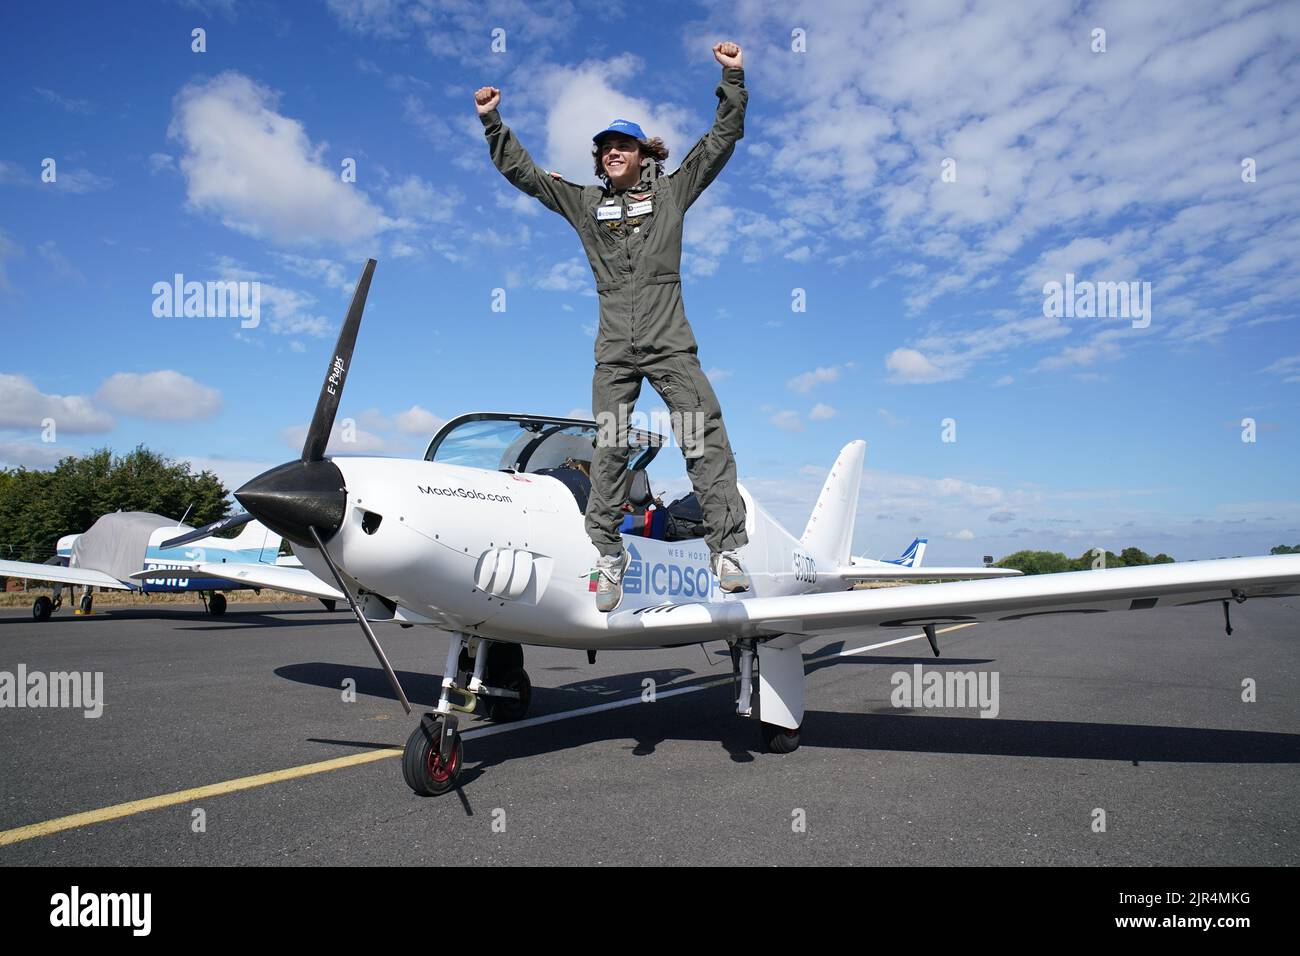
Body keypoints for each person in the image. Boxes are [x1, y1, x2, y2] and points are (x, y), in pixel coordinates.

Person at [475, 41, 751, 612]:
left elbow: (721, 140)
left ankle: (725, 550)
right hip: (614, 351)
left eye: (622, 145)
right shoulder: (583, 204)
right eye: (604, 149)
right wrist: (493, 123)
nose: (611, 154)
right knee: (610, 445)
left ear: (642, 153)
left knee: (700, 436)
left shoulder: (673, 191)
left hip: (670, 341)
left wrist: (732, 77)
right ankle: (607, 554)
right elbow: (525, 175)